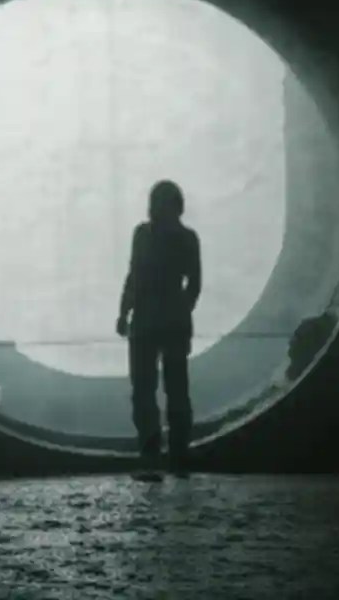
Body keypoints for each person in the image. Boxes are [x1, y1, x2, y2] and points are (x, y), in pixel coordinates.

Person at [116, 180, 202, 477]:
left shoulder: (143, 235)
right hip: (169, 322)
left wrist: (124, 311)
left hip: (145, 322)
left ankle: (152, 451)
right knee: (173, 389)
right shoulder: (186, 238)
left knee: (146, 389)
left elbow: (134, 276)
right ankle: (177, 453)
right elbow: (194, 284)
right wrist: (181, 311)